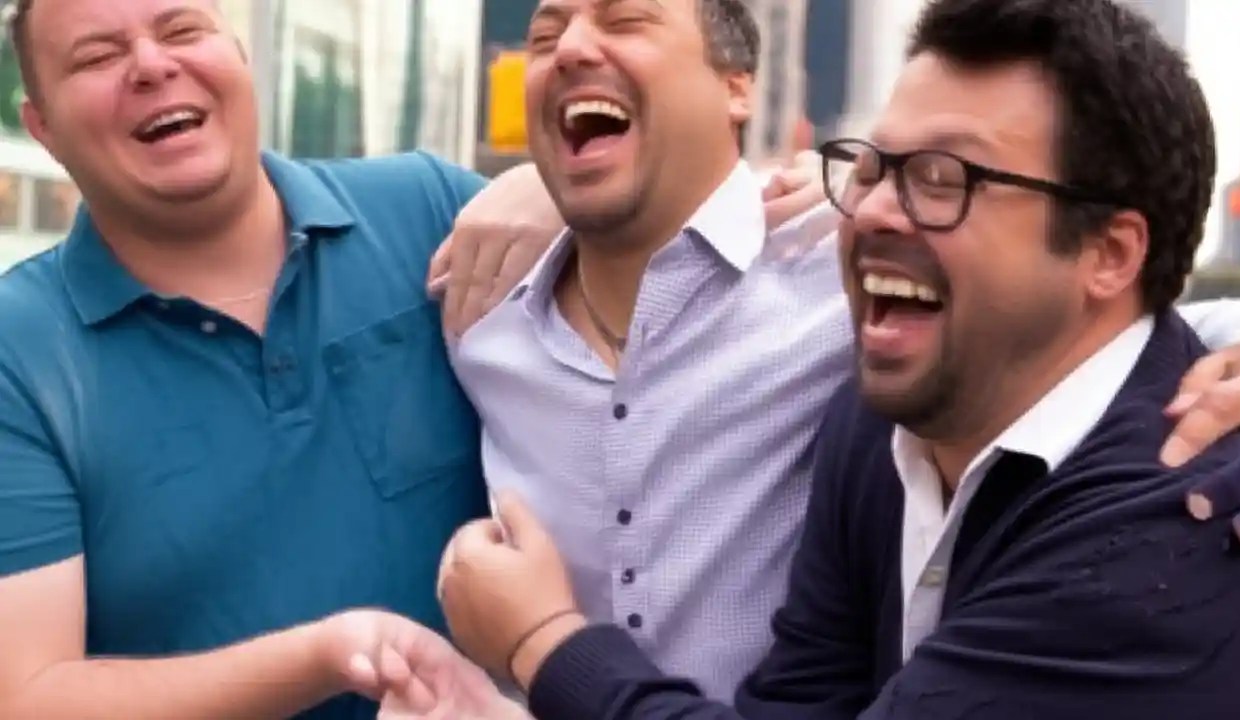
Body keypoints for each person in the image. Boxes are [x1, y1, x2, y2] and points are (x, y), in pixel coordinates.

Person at [0, 1, 831, 718]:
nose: (152, 65)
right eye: (98, 57)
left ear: (238, 53)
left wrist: (852, 183)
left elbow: (640, 198)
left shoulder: (429, 213)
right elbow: (27, 697)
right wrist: (336, 653)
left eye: (183, 28)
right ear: (40, 124)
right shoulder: (21, 349)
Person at [441, 0, 1240, 707]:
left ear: (1109, 253)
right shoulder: (884, 427)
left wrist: (544, 642)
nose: (874, 211)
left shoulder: (1174, 531)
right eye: (871, 168)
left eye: (943, 178)